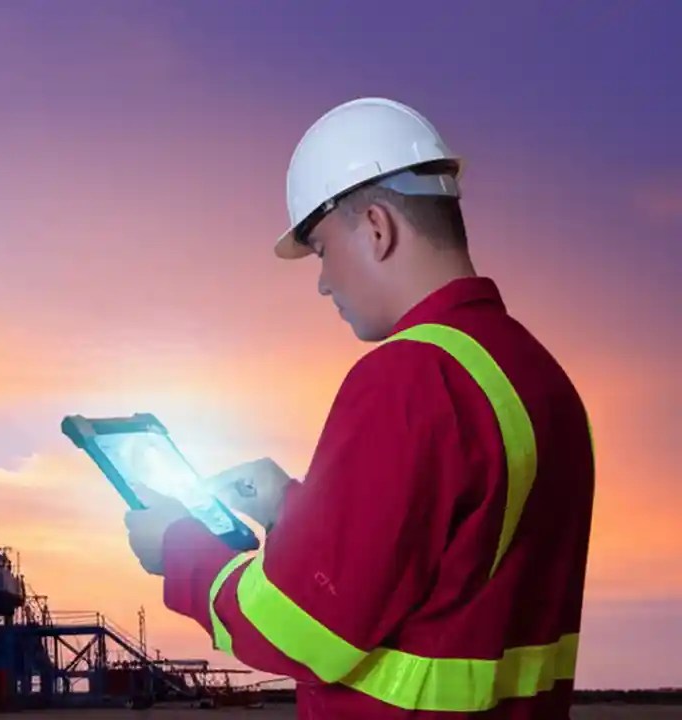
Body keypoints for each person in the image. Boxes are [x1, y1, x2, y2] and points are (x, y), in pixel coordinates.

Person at [123, 97, 595, 718]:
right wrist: (292, 508)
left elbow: (299, 626)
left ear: (376, 226)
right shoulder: (539, 376)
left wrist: (178, 548)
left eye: (321, 249)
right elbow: (444, 565)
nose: (323, 282)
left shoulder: (410, 377)